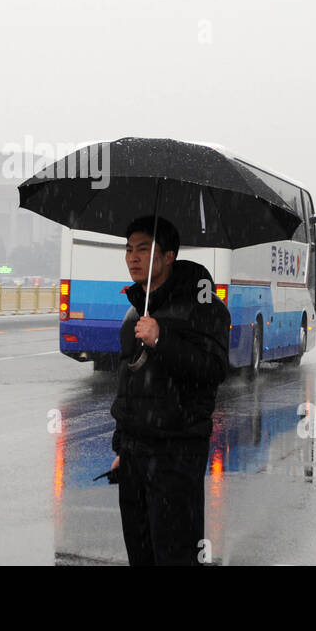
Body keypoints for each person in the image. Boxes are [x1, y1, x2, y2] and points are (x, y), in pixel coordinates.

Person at [108, 215, 229, 566]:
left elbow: (213, 370)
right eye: (129, 249)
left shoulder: (203, 308)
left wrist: (161, 338)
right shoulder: (135, 312)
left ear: (169, 256)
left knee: (174, 554)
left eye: (144, 250)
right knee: (140, 554)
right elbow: (128, 385)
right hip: (134, 456)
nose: (133, 257)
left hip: (176, 454)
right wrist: (122, 447)